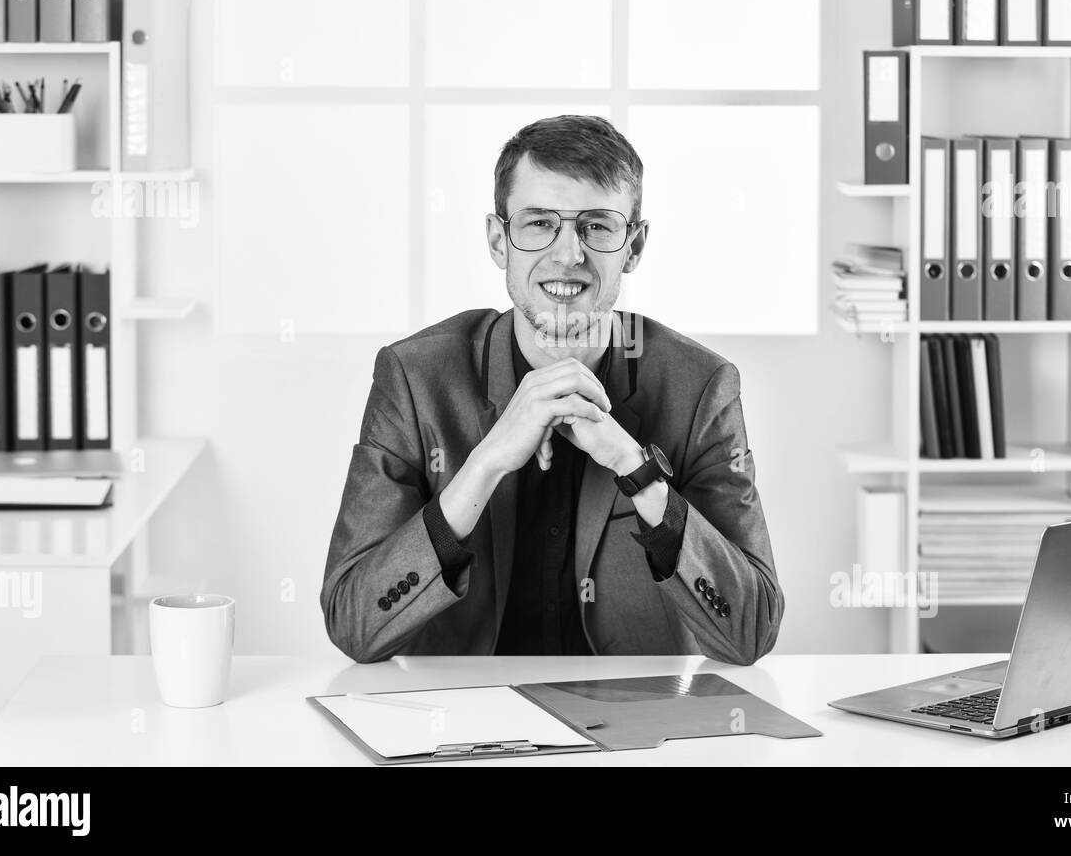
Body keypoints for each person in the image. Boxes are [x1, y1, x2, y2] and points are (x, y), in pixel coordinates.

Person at [321, 114, 783, 664]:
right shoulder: (416, 377)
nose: (568, 255)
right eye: (539, 224)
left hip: (628, 729)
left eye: (597, 226)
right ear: (499, 241)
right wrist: (487, 461)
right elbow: (354, 624)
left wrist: (637, 471)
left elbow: (749, 634)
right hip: (460, 720)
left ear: (632, 246)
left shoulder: (700, 387)